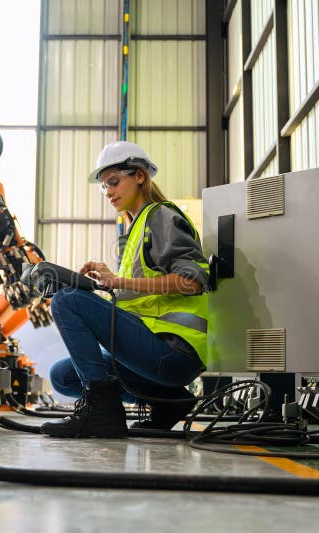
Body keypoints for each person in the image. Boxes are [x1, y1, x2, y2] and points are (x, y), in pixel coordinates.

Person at [41, 141, 210, 438]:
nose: (108, 192)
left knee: (66, 300)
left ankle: (103, 413)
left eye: (114, 182)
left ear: (140, 176)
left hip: (173, 351)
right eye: (104, 187)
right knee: (63, 376)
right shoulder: (135, 229)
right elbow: (142, 297)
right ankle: (170, 403)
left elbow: (192, 281)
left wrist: (120, 282)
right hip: (152, 352)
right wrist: (110, 279)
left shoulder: (160, 216)